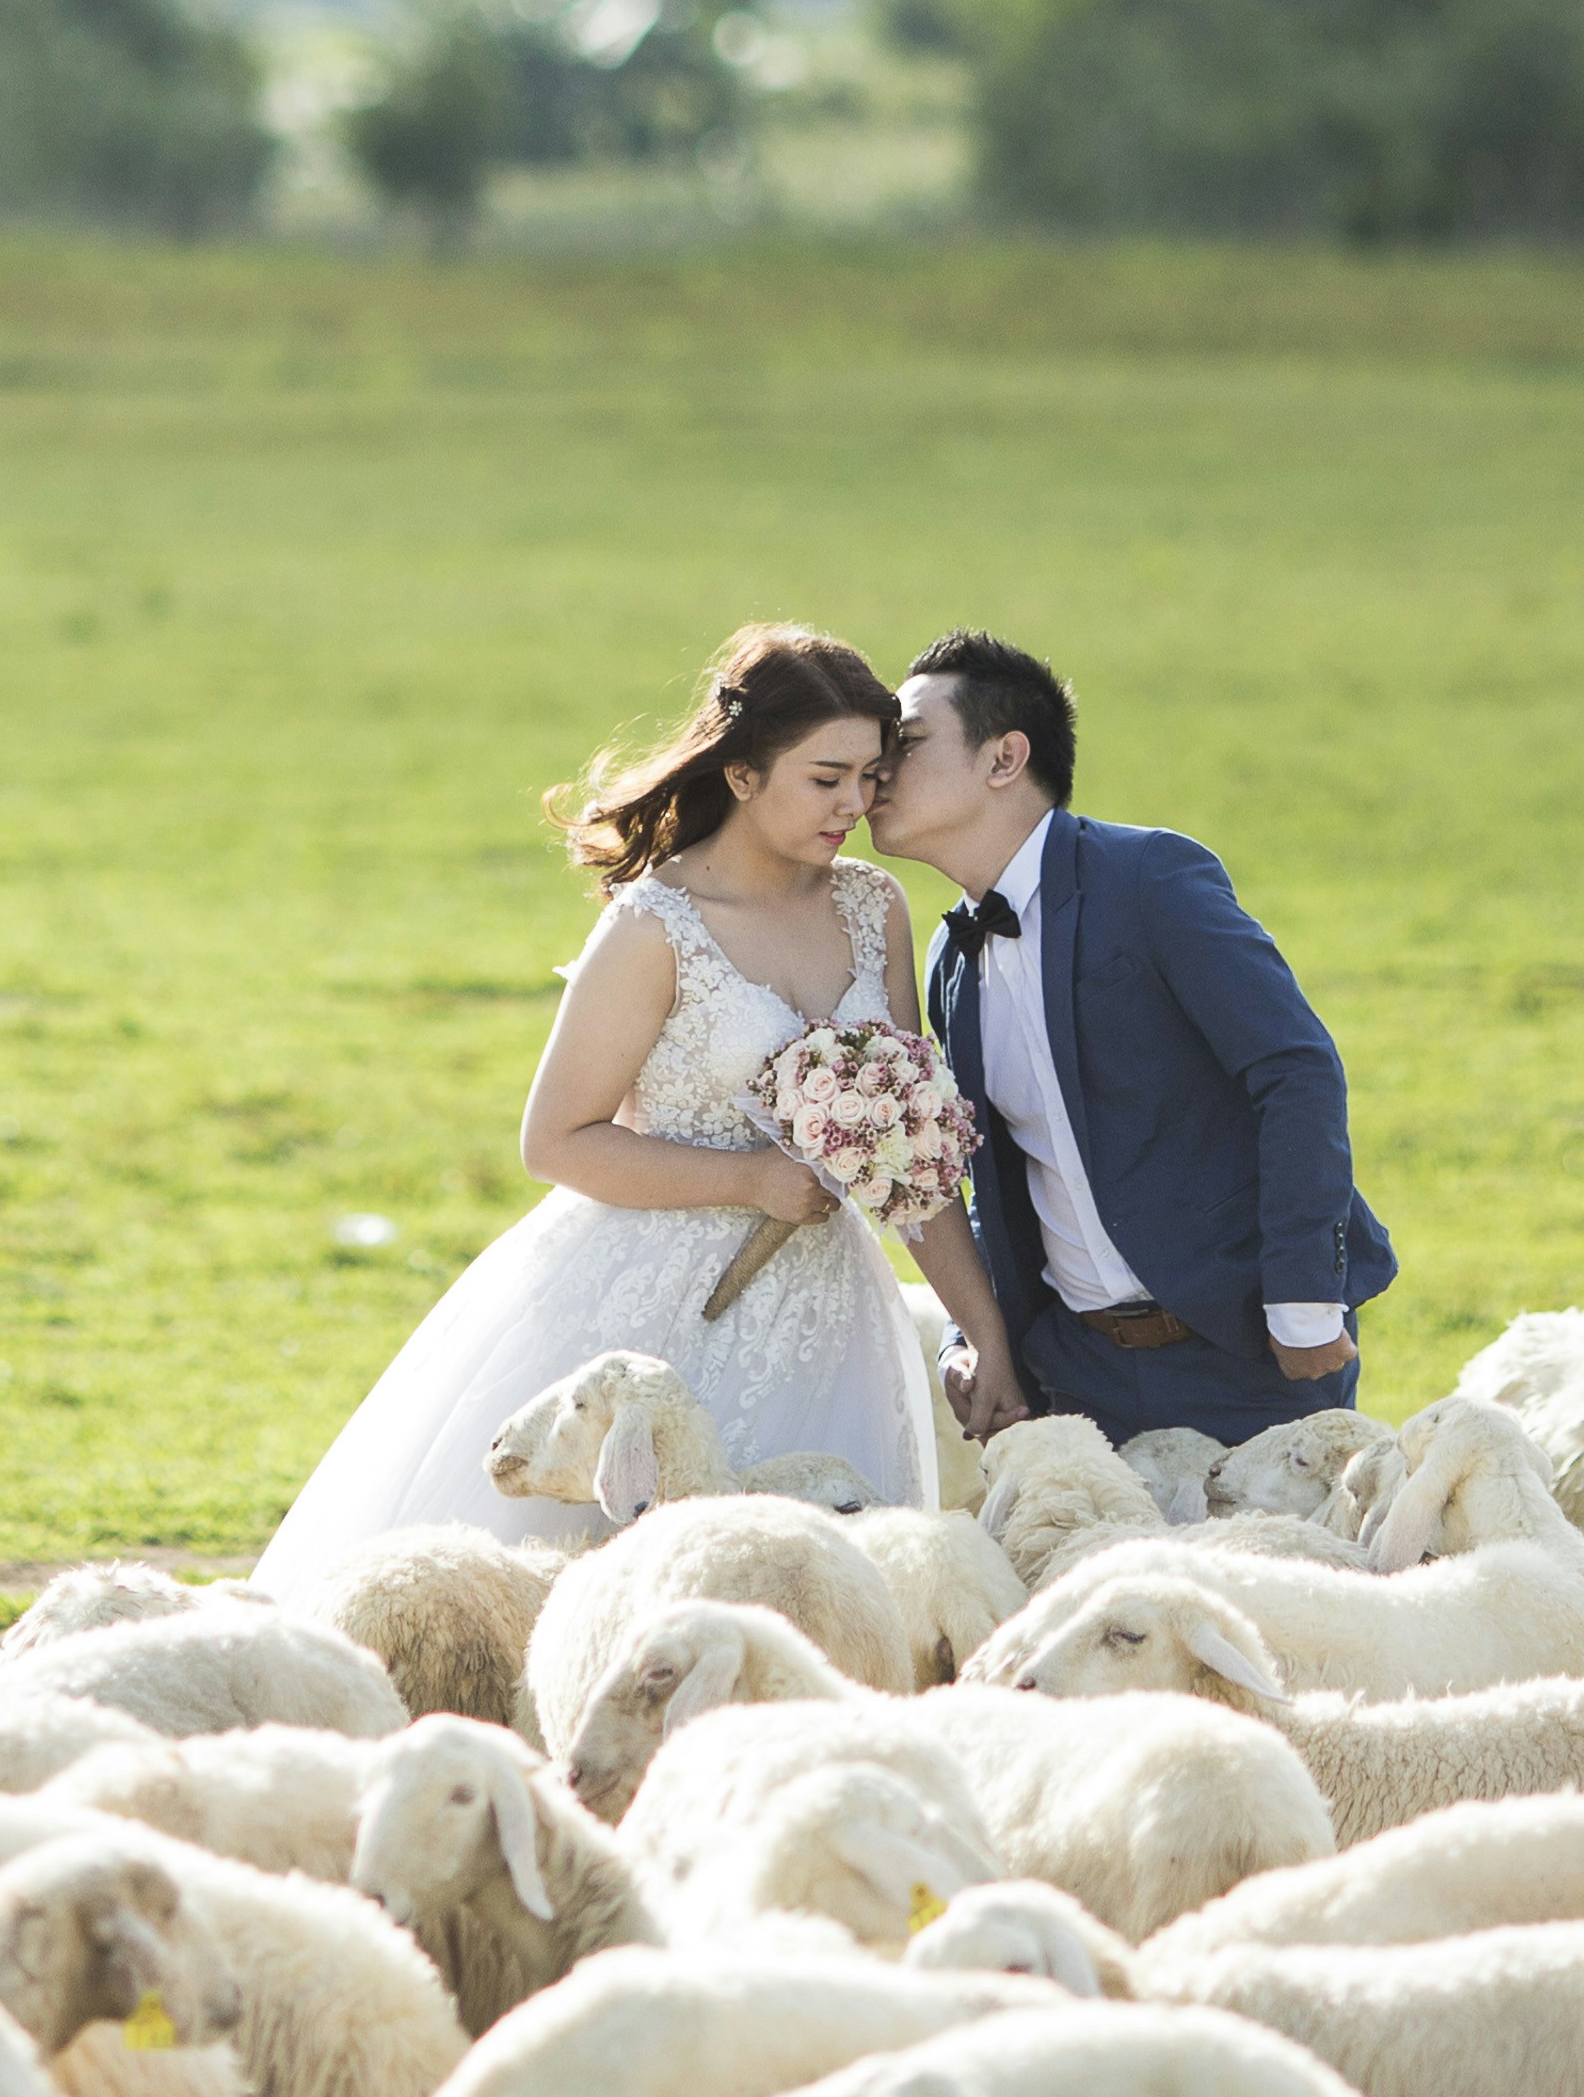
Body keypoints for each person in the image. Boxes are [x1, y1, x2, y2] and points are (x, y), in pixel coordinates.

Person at [255, 626, 1030, 1576]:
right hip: (654, 1301)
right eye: (825, 778)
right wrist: (752, 1177)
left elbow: (909, 1155)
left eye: (871, 776)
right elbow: (558, 1141)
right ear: (742, 775)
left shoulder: (876, 907)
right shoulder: (656, 925)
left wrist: (983, 1332)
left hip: (826, 1313)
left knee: (817, 1584)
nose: (855, 805)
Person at [862, 628, 1389, 1445]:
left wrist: (1302, 1303)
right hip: (1076, 1376)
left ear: (1005, 758)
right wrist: (978, 1338)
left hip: (1247, 1355)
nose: (877, 770)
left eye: (909, 742)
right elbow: (989, 1176)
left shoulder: (1148, 879)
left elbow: (1295, 1072)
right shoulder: (948, 957)